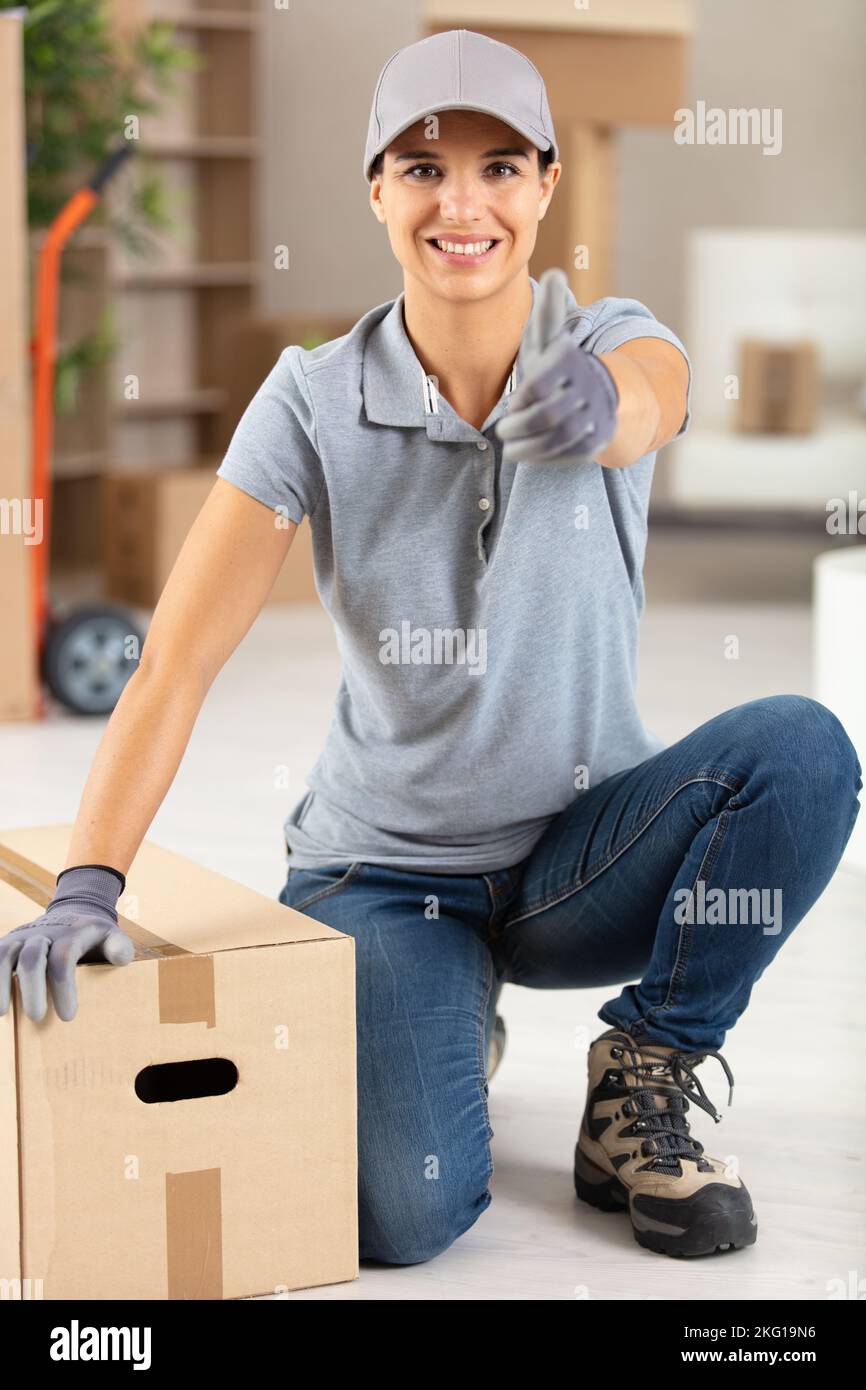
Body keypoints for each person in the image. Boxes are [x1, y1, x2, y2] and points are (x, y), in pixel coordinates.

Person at [2, 30, 860, 1266]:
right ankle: (447, 1011)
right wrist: (91, 880)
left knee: (801, 748)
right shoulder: (307, 400)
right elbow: (176, 662)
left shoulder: (605, 335)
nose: (462, 202)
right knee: (404, 1214)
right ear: (375, 191)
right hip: (386, 875)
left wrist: (604, 407)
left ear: (544, 187)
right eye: (421, 167)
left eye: (499, 166)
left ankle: (646, 1068)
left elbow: (653, 392)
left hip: (578, 860)